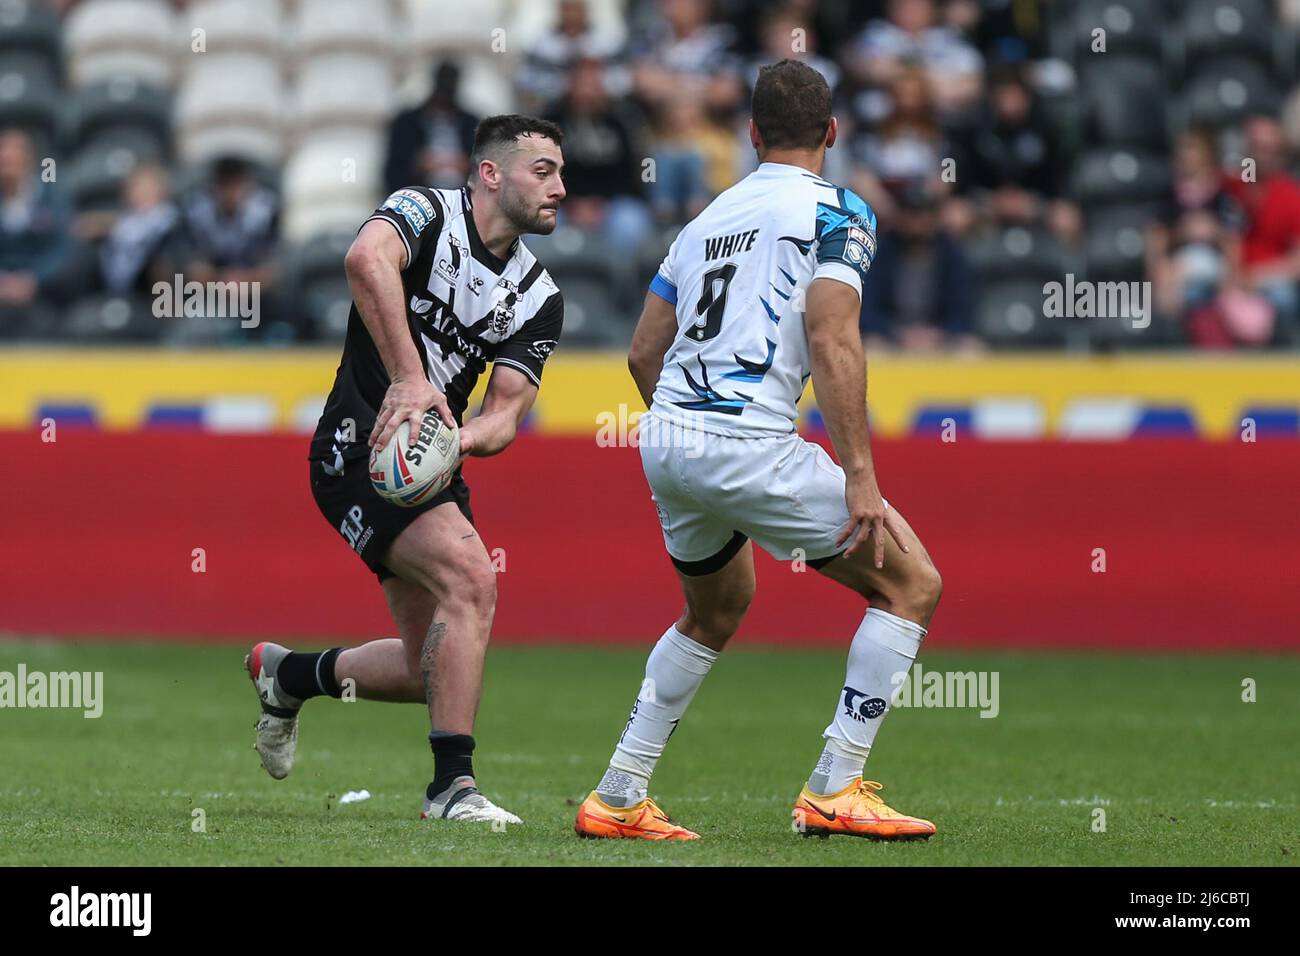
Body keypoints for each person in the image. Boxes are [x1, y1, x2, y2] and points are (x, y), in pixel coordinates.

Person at [574, 60, 942, 841]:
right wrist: (860, 480)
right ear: (833, 133)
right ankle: (835, 786)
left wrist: (689, 440)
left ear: (751, 134)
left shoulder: (704, 221)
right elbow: (833, 335)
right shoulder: (841, 213)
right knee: (912, 586)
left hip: (669, 438)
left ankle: (616, 795)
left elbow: (644, 353)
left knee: (715, 610)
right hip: (746, 443)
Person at [246, 116, 567, 826]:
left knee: (434, 666)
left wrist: (458, 444)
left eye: (561, 174)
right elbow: (366, 261)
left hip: (425, 460)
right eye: (543, 171)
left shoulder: (540, 296)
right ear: (491, 173)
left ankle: (289, 675)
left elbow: (506, 414)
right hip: (359, 443)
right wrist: (412, 380)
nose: (560, 189)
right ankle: (452, 788)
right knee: (473, 581)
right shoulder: (425, 210)